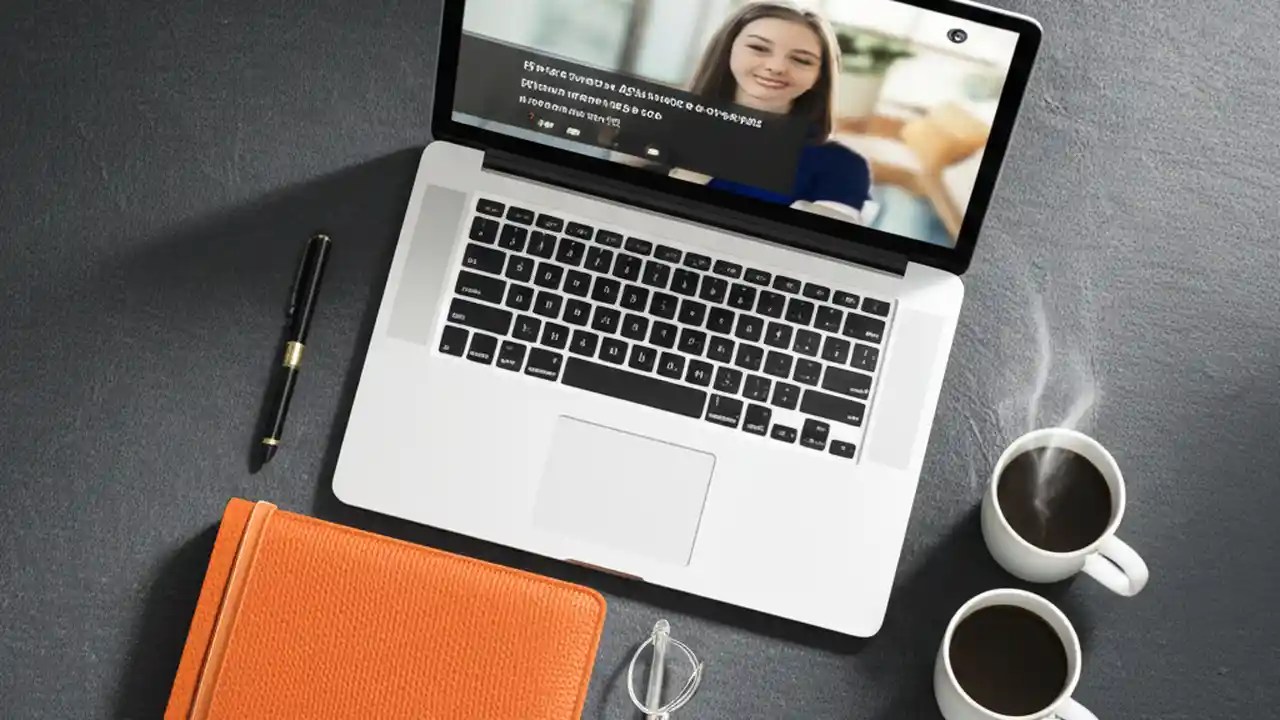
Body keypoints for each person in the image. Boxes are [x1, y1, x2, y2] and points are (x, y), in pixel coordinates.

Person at [682, 1, 872, 223]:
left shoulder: (842, 164)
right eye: (759, 48)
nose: (777, 67)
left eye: (801, 60)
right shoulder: (664, 123)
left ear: (819, 77)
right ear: (727, 50)